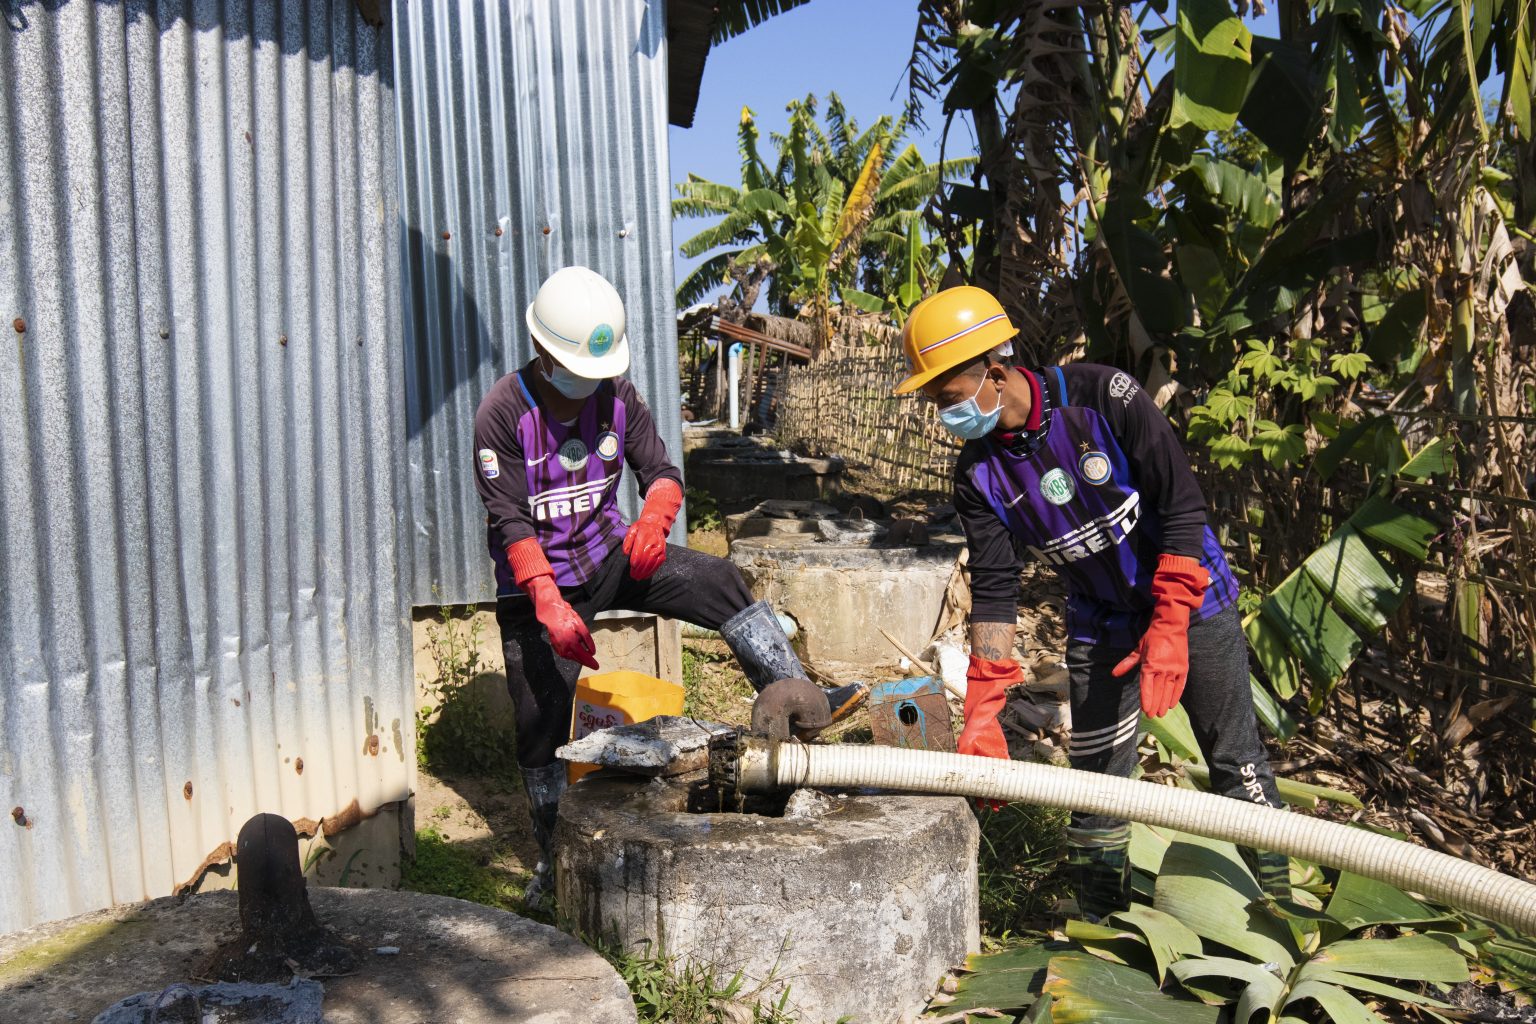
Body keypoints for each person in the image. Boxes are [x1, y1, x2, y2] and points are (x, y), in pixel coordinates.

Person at [891, 285, 1289, 920]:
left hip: (1194, 599)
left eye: (947, 398)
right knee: (1096, 785)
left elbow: (1183, 505)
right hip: (1101, 618)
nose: (944, 415)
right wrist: (985, 708)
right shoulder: (978, 476)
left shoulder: (1104, 397)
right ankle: (1100, 934)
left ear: (995, 372)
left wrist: (1169, 621)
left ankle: (1276, 919)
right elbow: (995, 587)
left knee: (1236, 764)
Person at [473, 266, 862, 905]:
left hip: (612, 558)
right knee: (540, 721)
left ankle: (798, 700)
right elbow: (509, 517)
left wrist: (655, 517)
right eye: (575, 370)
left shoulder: (619, 396)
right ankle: (554, 866)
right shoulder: (503, 411)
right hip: (539, 586)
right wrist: (546, 599)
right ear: (543, 352)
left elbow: (660, 469)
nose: (587, 385)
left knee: (719, 581)